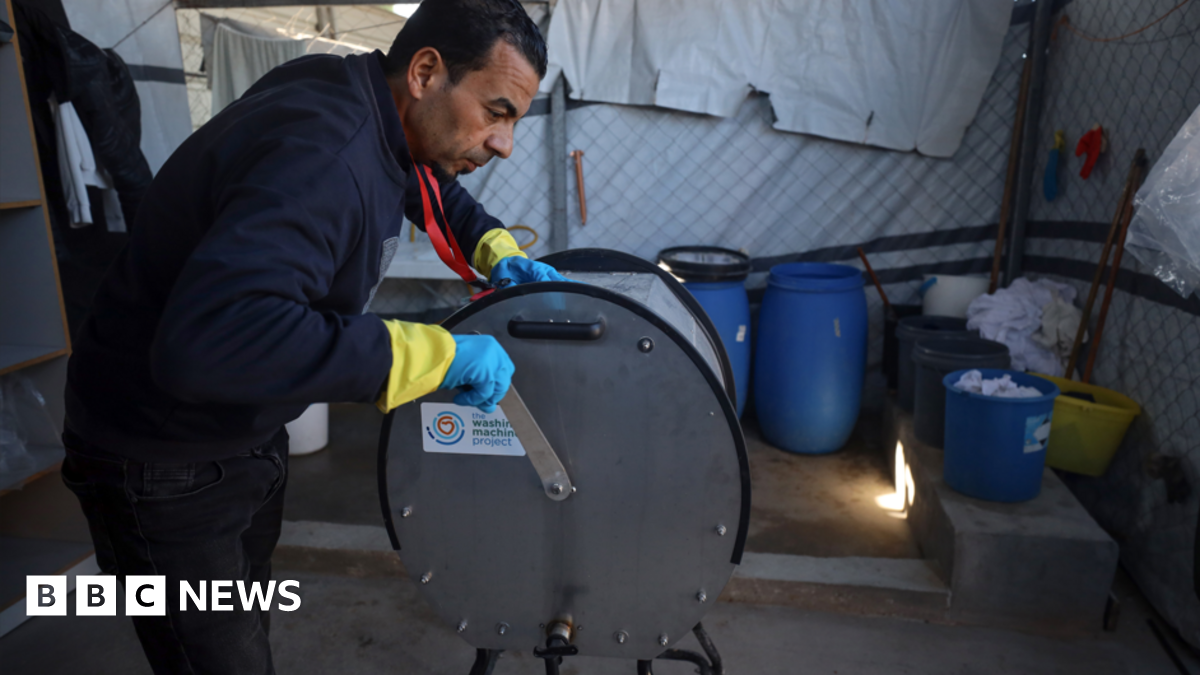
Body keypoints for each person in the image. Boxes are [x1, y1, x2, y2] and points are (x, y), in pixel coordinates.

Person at [59, 0, 562, 672]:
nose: (503, 142)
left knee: (247, 619)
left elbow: (420, 172)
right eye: (496, 111)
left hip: (243, 429)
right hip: (161, 454)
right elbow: (215, 338)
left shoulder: (359, 93)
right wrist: (430, 353)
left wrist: (492, 245)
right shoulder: (322, 155)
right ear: (424, 72)